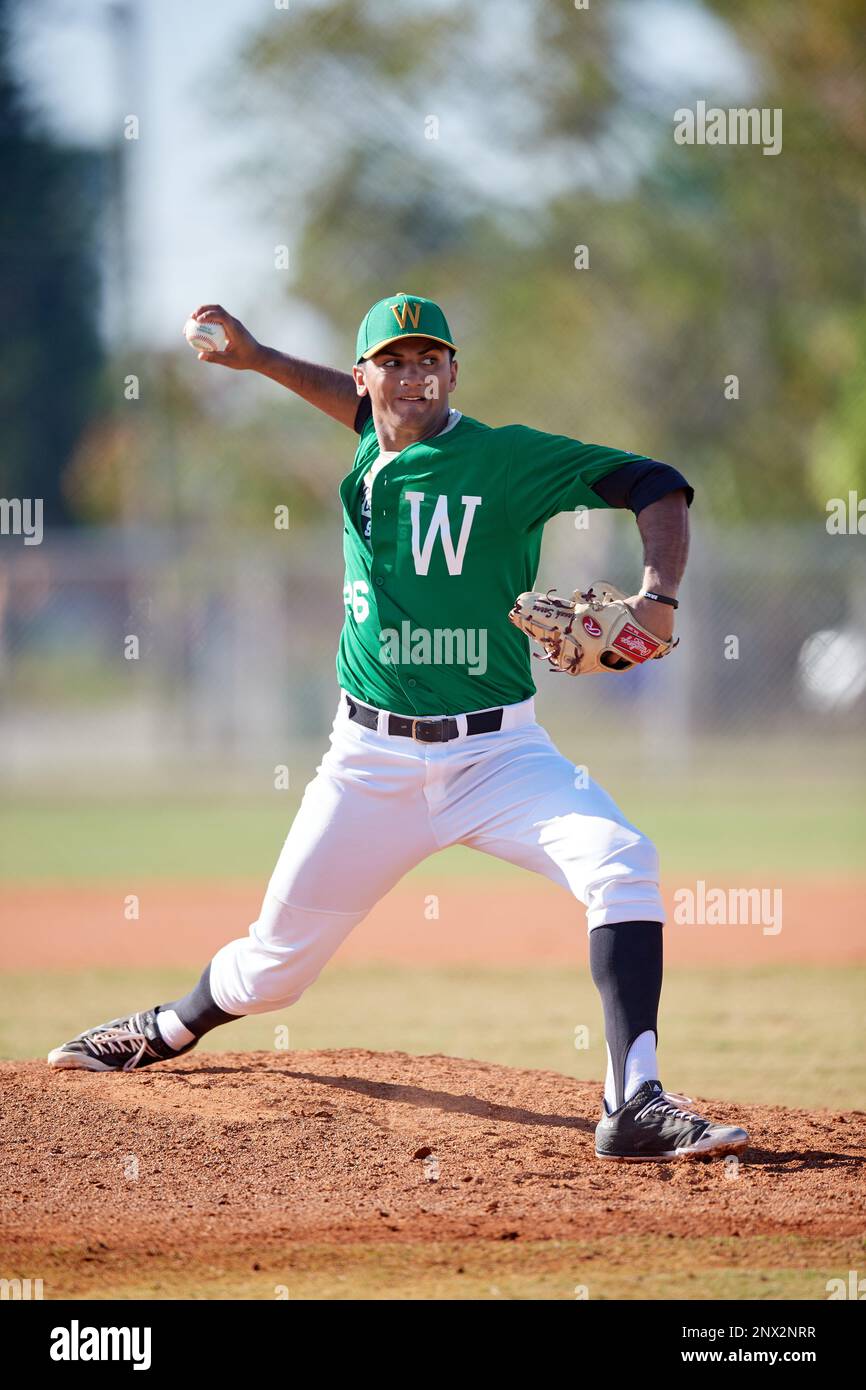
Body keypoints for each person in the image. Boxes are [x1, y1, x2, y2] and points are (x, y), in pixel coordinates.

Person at [48, 292, 749, 1162]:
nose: (413, 376)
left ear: (454, 372)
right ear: (365, 376)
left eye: (430, 360)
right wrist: (260, 358)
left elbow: (656, 482)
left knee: (624, 861)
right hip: (367, 762)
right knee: (274, 972)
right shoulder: (370, 448)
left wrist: (659, 598)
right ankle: (166, 1026)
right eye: (393, 361)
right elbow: (366, 417)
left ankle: (632, 1101)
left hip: (500, 753)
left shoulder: (505, 458)